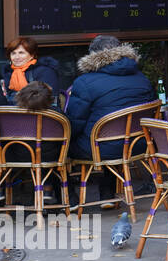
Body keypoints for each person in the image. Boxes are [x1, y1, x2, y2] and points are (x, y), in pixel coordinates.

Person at [64, 35, 156, 167]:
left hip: (100, 149)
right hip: (139, 144)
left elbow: (75, 123)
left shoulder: (84, 82)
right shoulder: (142, 78)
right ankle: (110, 184)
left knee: (59, 146)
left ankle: (62, 186)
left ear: (92, 55)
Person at [2, 37, 61, 102]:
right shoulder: (9, 72)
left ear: (32, 55)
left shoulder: (45, 71)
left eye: (21, 53)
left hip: (42, 110)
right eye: (13, 53)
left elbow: (46, 100)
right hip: (15, 110)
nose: (17, 57)